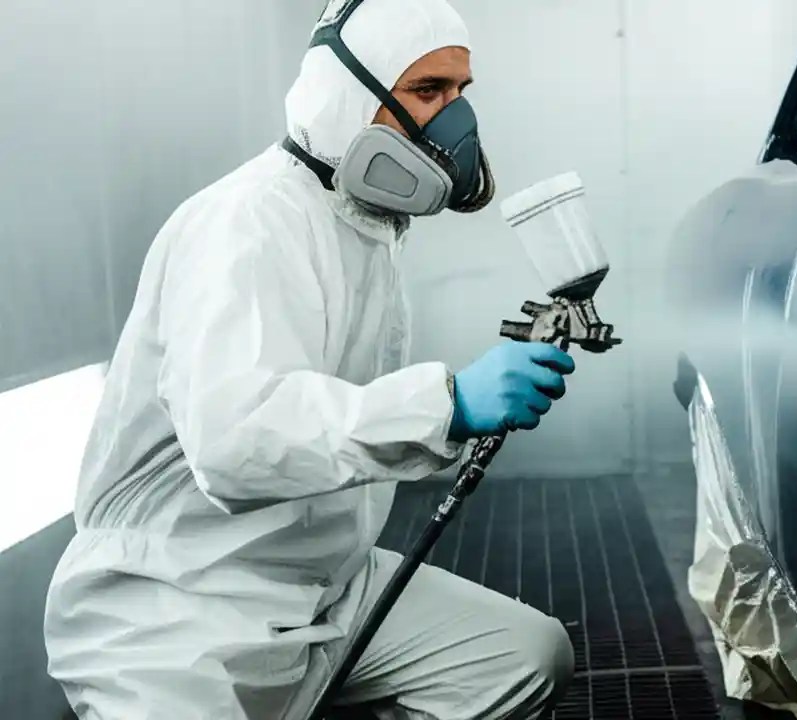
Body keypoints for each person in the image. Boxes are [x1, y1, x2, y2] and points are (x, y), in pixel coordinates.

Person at [44, 1, 575, 718]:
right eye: (428, 92)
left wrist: (455, 420)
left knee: (523, 658)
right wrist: (448, 404)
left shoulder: (364, 226)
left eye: (460, 92)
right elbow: (236, 442)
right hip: (179, 609)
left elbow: (336, 423)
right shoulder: (246, 222)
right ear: (352, 96)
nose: (455, 123)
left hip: (327, 587)